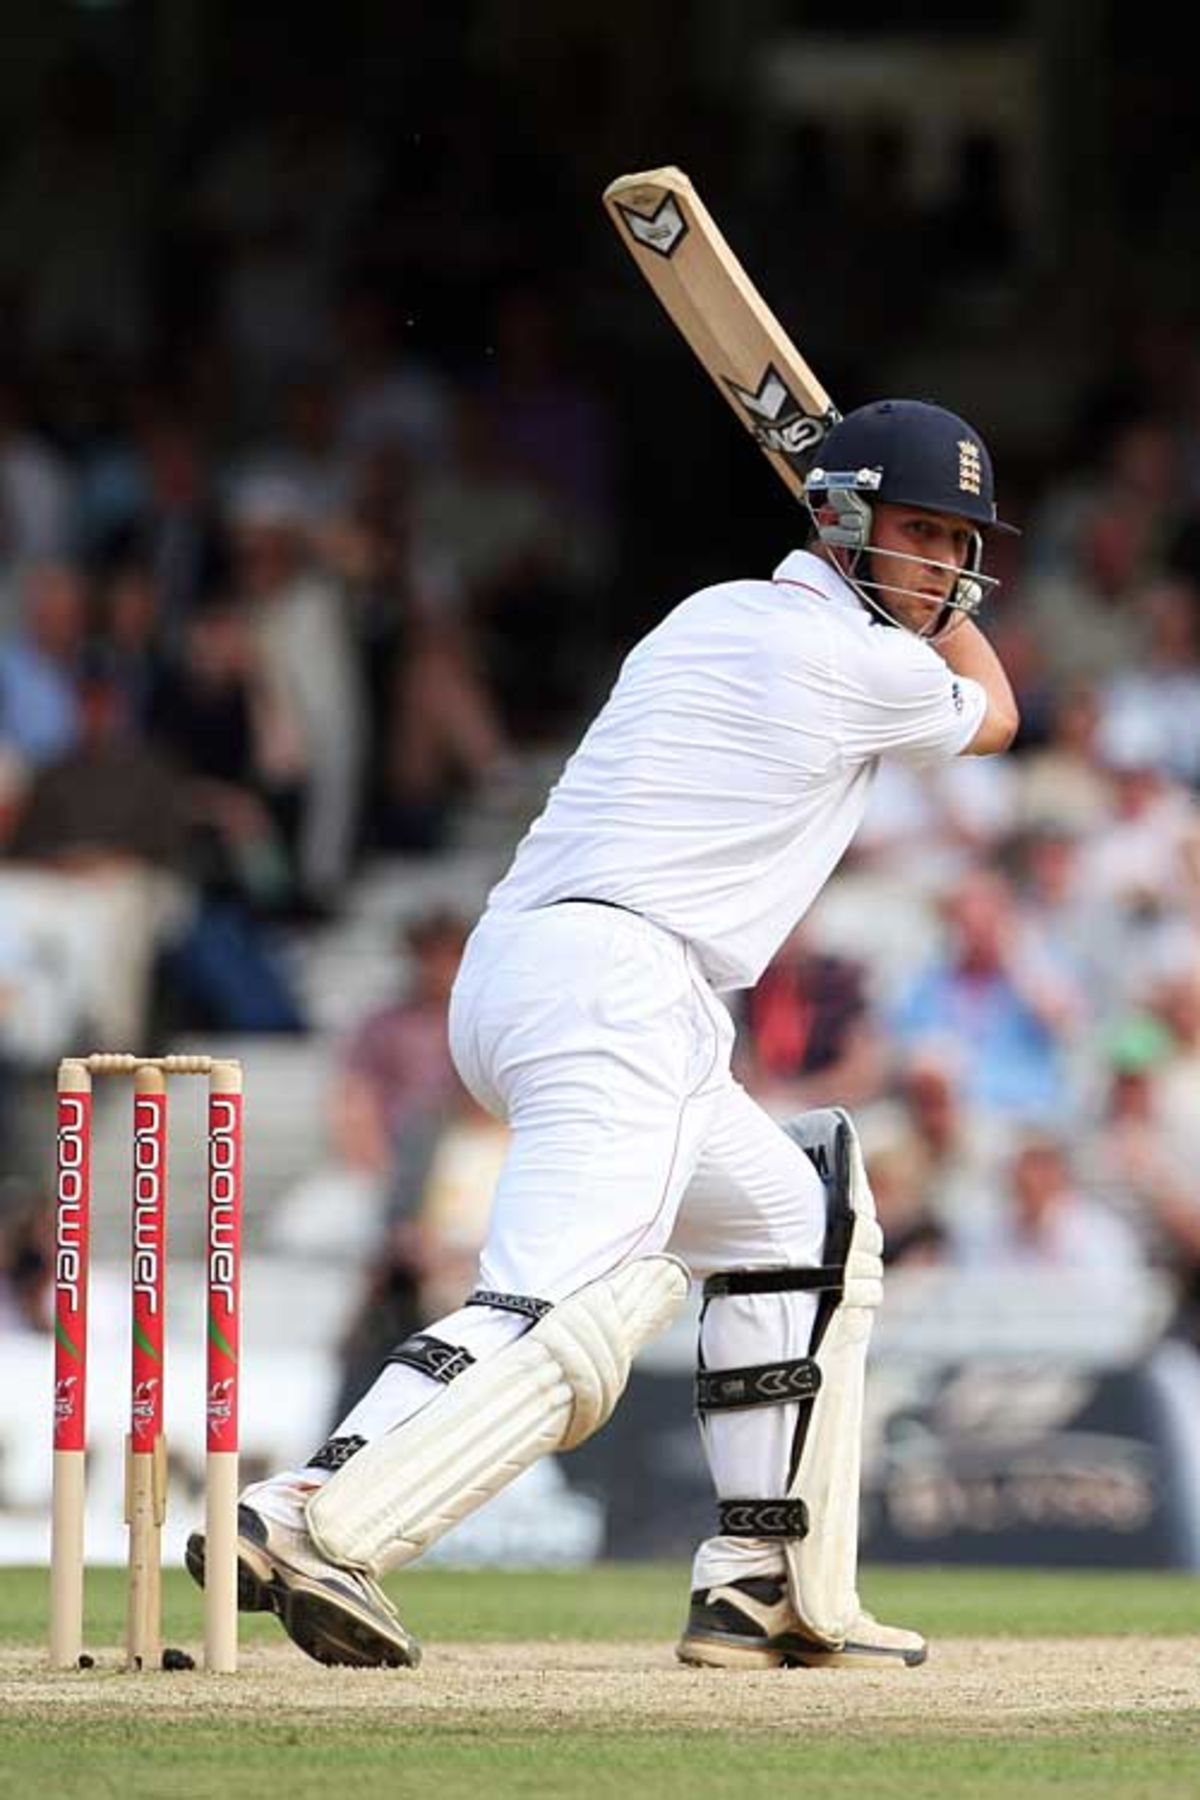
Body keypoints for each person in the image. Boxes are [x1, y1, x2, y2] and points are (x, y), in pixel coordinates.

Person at [184, 397, 1020, 1672]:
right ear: (839, 521)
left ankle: (754, 1580)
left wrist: (904, 563)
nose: (948, 567)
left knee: (792, 1226)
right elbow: (1001, 715)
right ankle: (304, 1512)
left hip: (525, 967)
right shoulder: (870, 665)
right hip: (629, 984)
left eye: (962, 542)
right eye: (921, 534)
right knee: (553, 1299)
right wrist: (950, 612)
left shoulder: (709, 609)